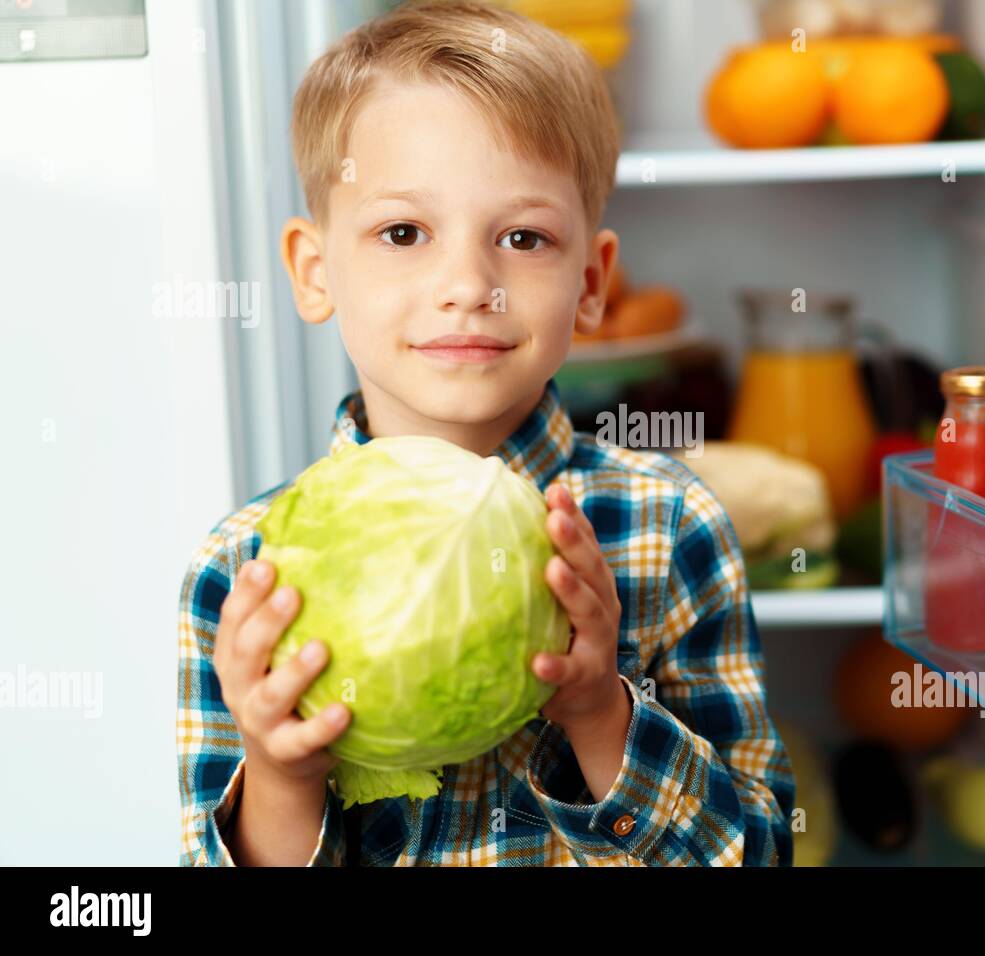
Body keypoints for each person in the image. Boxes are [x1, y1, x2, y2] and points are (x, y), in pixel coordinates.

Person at [176, 0, 794, 867]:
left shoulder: (668, 526)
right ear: (315, 274)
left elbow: (758, 854)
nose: (469, 283)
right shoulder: (246, 573)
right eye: (403, 232)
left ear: (591, 283)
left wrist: (601, 713)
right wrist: (282, 779)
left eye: (522, 236)